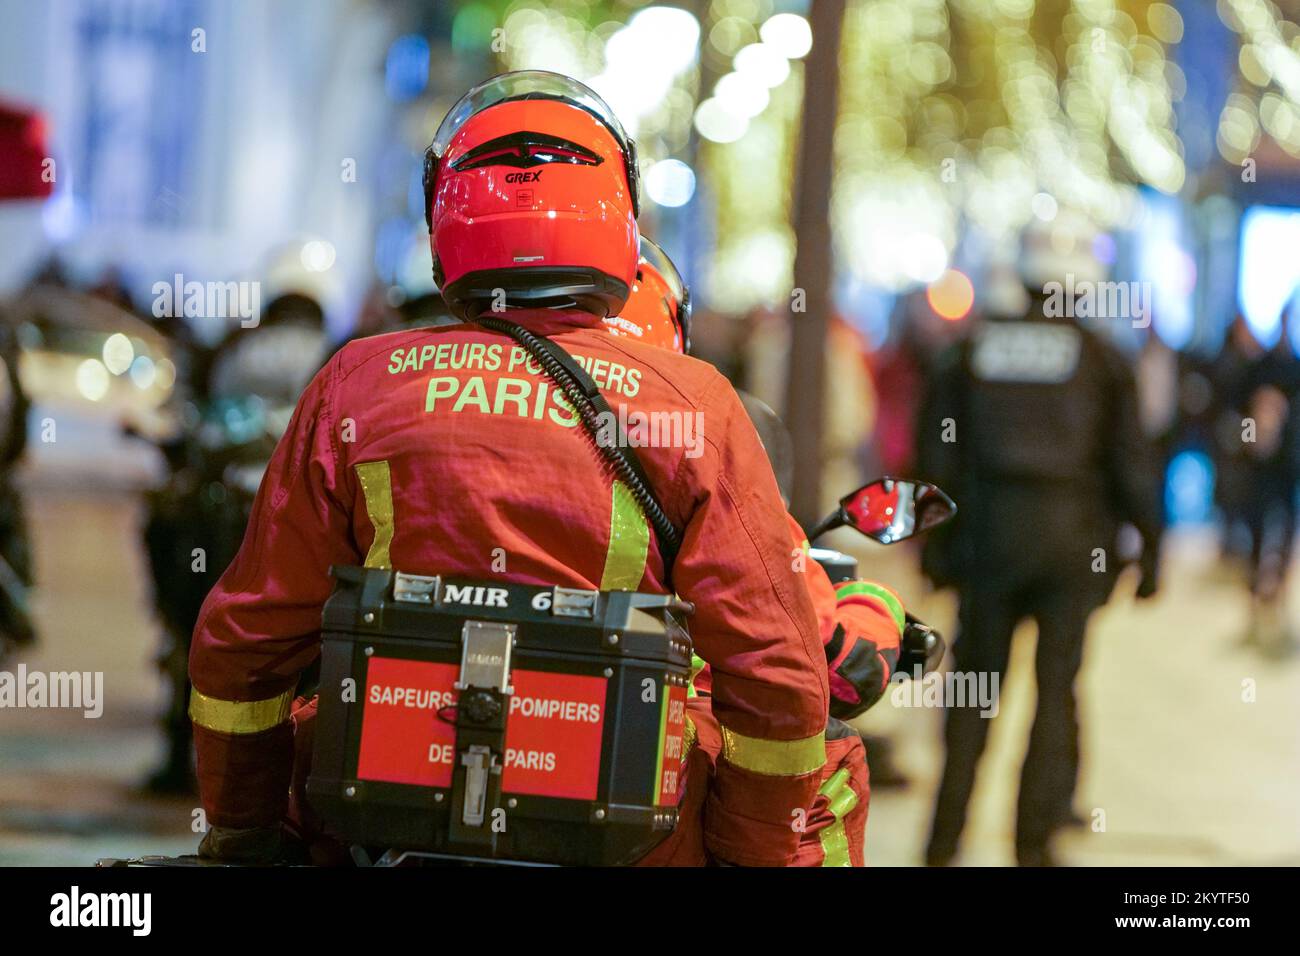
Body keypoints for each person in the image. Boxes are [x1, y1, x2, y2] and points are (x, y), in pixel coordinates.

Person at [189, 71, 828, 867]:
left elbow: (244, 643)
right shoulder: (695, 403)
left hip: (375, 828)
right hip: (630, 841)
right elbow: (778, 679)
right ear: (618, 213)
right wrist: (747, 856)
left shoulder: (358, 381)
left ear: (445, 218)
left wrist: (242, 831)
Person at [605, 237, 906, 865]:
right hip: (648, 773)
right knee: (829, 758)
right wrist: (878, 610)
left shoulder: (430, 399)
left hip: (439, 753)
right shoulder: (704, 443)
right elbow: (816, 655)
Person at [916, 217, 1163, 866]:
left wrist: (936, 550)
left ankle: (942, 845)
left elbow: (935, 459)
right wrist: (1151, 555)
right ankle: (1034, 847)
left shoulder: (968, 353)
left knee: (972, 698)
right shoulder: (1105, 360)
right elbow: (1131, 466)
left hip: (988, 543)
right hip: (1072, 546)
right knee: (1056, 694)